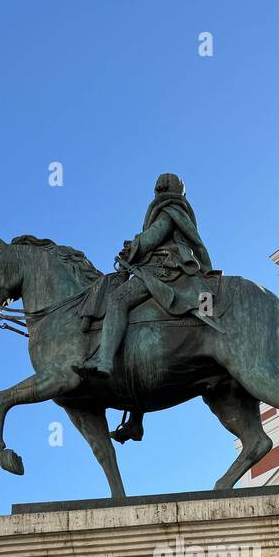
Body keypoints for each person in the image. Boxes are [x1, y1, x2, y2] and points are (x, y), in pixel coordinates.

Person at [78, 174, 216, 438]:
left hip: (165, 271)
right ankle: (134, 420)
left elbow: (155, 235)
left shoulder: (168, 209)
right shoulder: (179, 208)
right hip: (164, 269)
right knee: (137, 335)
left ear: (161, 189)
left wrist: (134, 246)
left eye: (157, 189)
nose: (155, 194)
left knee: (117, 300)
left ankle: (104, 359)